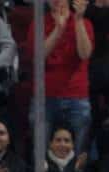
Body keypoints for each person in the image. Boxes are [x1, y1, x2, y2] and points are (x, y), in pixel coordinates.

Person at [26, 0, 95, 160]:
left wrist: (77, 20)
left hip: (77, 96)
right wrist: (58, 29)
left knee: (79, 154)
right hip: (45, 97)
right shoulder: (38, 23)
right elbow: (38, 57)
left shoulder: (85, 23)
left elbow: (85, 54)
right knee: (40, 155)